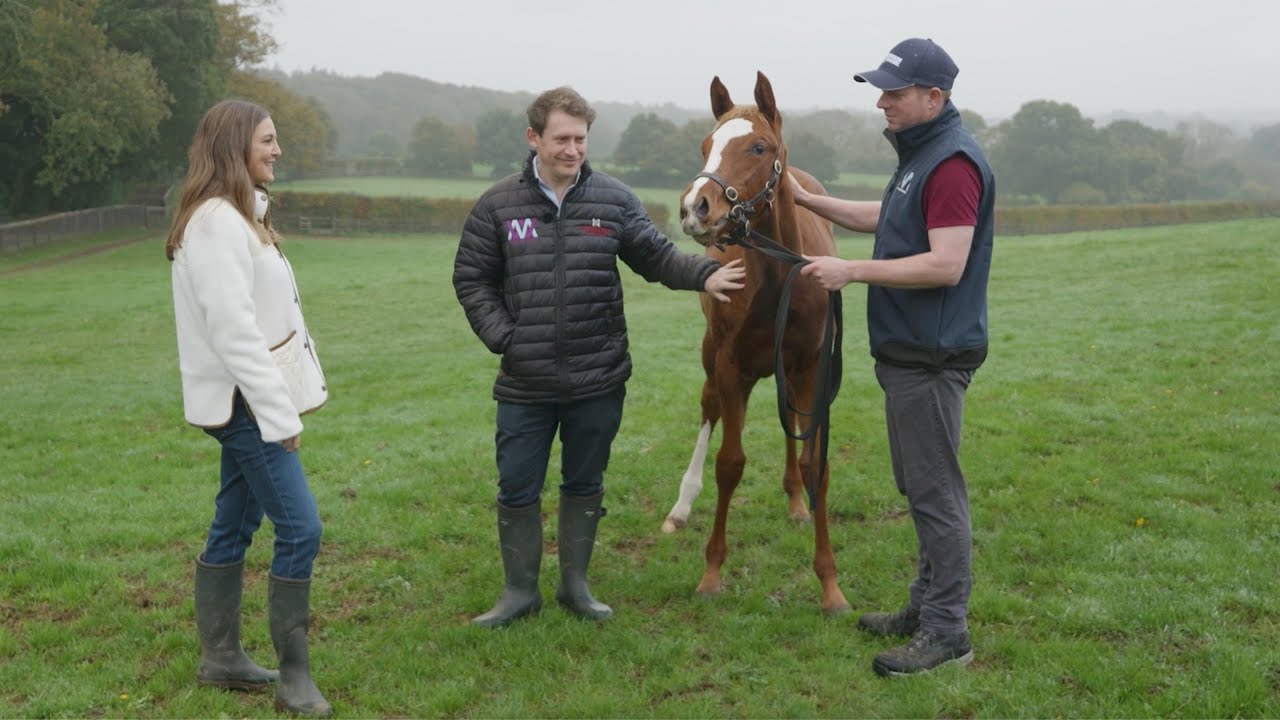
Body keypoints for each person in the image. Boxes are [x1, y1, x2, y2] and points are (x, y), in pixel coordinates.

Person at [453, 86, 746, 628]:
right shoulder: (498, 204)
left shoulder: (612, 200)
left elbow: (656, 258)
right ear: (534, 137)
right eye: (561, 138)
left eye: (580, 139)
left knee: (584, 482)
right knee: (517, 485)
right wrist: (506, 338)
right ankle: (519, 593)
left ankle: (575, 587)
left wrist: (706, 271)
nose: (572, 149)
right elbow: (471, 279)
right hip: (525, 381)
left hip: (598, 377)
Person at [791, 38, 996, 676]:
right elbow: (886, 215)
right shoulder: (922, 156)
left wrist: (850, 270)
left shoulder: (952, 163)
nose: (881, 101)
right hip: (909, 353)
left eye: (894, 92)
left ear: (934, 97)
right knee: (919, 486)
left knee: (937, 494)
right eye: (880, 90)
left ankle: (946, 634)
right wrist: (800, 198)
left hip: (932, 356)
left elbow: (945, 262)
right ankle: (924, 607)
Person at [167, 99, 332, 716]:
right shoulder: (215, 221)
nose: (277, 150)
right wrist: (278, 416)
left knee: (234, 524)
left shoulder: (237, 216)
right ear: (236, 145)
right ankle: (294, 678)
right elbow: (234, 332)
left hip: (247, 403)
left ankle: (221, 658)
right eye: (268, 139)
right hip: (246, 405)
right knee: (301, 528)